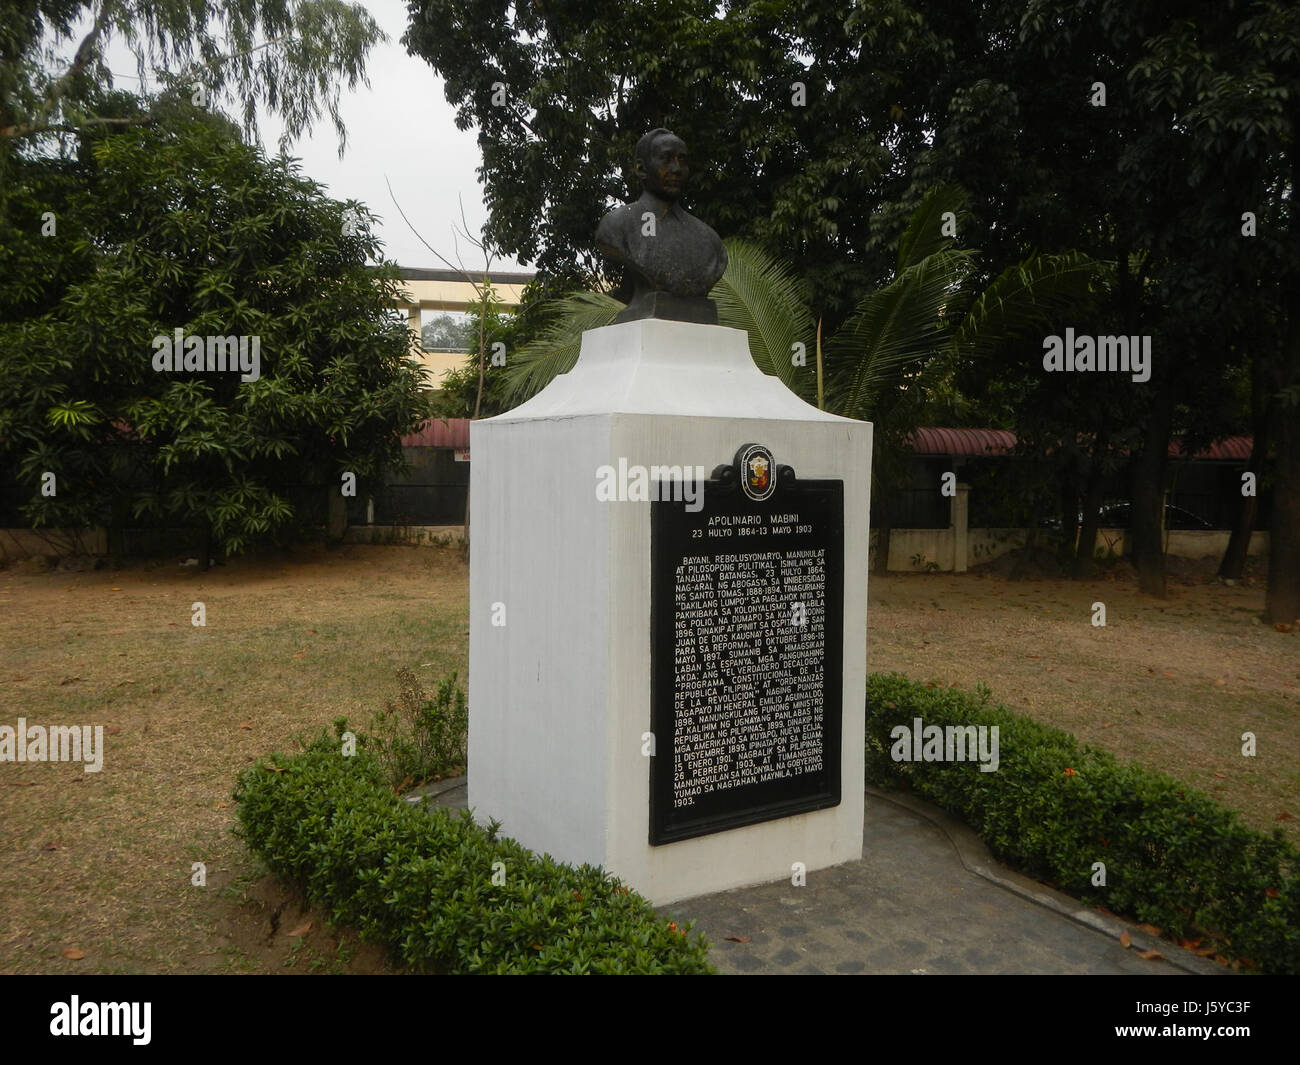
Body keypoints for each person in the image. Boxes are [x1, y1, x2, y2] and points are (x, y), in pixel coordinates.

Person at [595, 128, 727, 323]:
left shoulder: (710, 242)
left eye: (682, 160)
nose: (676, 168)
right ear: (641, 169)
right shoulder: (616, 226)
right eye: (666, 159)